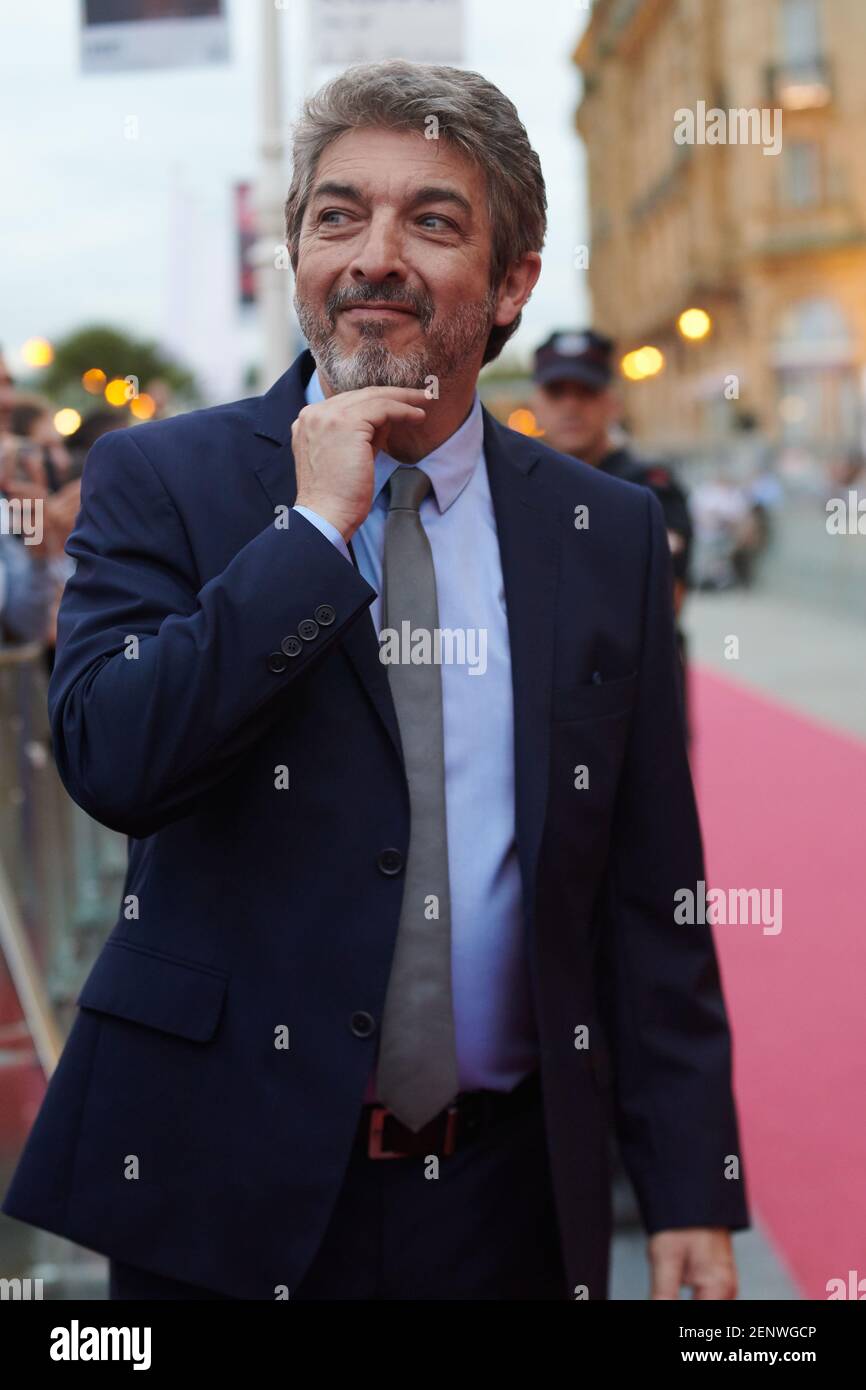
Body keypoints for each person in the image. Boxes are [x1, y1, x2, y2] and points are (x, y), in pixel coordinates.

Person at [2, 60, 749, 1301]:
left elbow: (645, 880)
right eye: (336, 215)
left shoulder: (601, 529)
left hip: (507, 1201)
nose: (373, 256)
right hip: (216, 1192)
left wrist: (688, 1186)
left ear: (510, 282)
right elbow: (114, 758)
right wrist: (308, 537)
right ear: (293, 252)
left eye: (432, 220)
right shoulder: (161, 481)